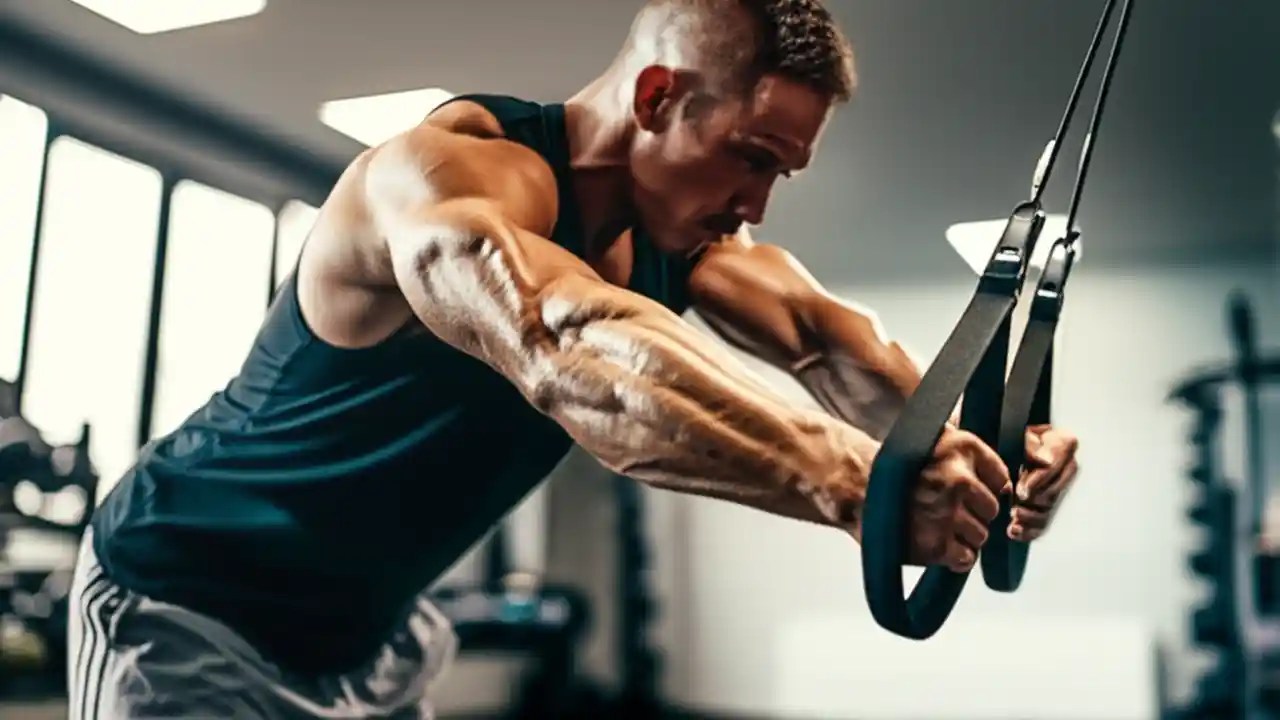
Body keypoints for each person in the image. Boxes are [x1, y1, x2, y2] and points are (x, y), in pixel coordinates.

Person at [68, 0, 1082, 717]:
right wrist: (854, 481)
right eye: (750, 156)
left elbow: (827, 341)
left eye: (782, 172)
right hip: (190, 599)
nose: (757, 204)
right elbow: (562, 343)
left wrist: (978, 453)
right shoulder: (444, 175)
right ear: (655, 97)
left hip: (362, 639)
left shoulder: (686, 245)